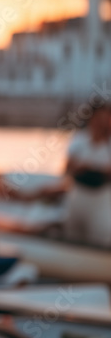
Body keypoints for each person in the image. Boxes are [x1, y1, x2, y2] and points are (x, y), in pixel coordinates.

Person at [62, 104, 111, 248]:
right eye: (99, 117)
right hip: (78, 195)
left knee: (101, 236)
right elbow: (67, 166)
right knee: (72, 236)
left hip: (102, 198)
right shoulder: (80, 139)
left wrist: (91, 167)